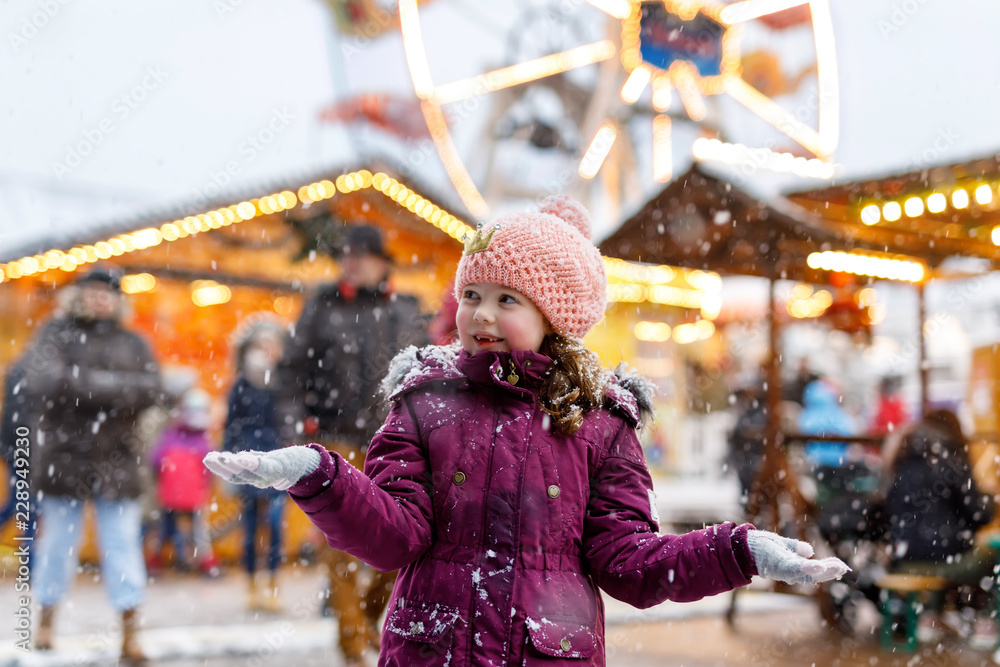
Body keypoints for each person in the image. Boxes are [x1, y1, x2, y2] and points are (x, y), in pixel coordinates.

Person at [206, 196, 848, 667]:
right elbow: (394, 536)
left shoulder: (602, 426)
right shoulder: (424, 405)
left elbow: (630, 563)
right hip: (435, 650)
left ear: (556, 316)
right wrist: (318, 475)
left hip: (549, 653)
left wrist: (740, 551)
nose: (479, 313)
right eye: (471, 295)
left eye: (507, 299)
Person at [273, 223, 430, 663]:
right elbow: (288, 373)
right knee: (338, 546)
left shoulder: (406, 310)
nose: (352, 261)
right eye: (346, 253)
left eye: (361, 254)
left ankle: (365, 623)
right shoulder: (320, 307)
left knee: (400, 543)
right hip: (334, 441)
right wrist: (293, 433)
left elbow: (425, 376)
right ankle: (351, 640)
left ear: (382, 262)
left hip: (396, 443)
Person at [21, 267, 162, 662]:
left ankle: (130, 631)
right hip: (63, 458)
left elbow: (153, 389)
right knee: (56, 546)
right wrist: (114, 388)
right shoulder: (55, 334)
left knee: (121, 545)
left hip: (118, 458)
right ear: (79, 296)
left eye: (107, 293)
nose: (100, 299)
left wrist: (85, 385)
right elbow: (40, 382)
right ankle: (45, 622)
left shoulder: (135, 342)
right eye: (93, 292)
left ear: (118, 300)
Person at [884, 409, 997, 647]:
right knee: (993, 554)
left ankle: (930, 617)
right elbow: (979, 514)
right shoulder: (951, 459)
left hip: (904, 558)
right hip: (944, 560)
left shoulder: (901, 460)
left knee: (938, 547)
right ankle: (988, 622)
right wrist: (989, 497)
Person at [223, 315, 289, 611]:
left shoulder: (285, 382)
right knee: (250, 526)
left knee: (275, 524)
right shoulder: (241, 383)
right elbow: (231, 424)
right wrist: (230, 461)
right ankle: (251, 585)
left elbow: (291, 422)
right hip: (247, 459)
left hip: (280, 458)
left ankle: (273, 584)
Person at [148, 387, 219, 576]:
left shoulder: (169, 436)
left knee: (164, 526)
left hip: (170, 493)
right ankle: (207, 563)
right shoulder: (204, 441)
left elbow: (154, 460)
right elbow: (210, 469)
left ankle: (155, 561)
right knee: (199, 528)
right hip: (194, 494)